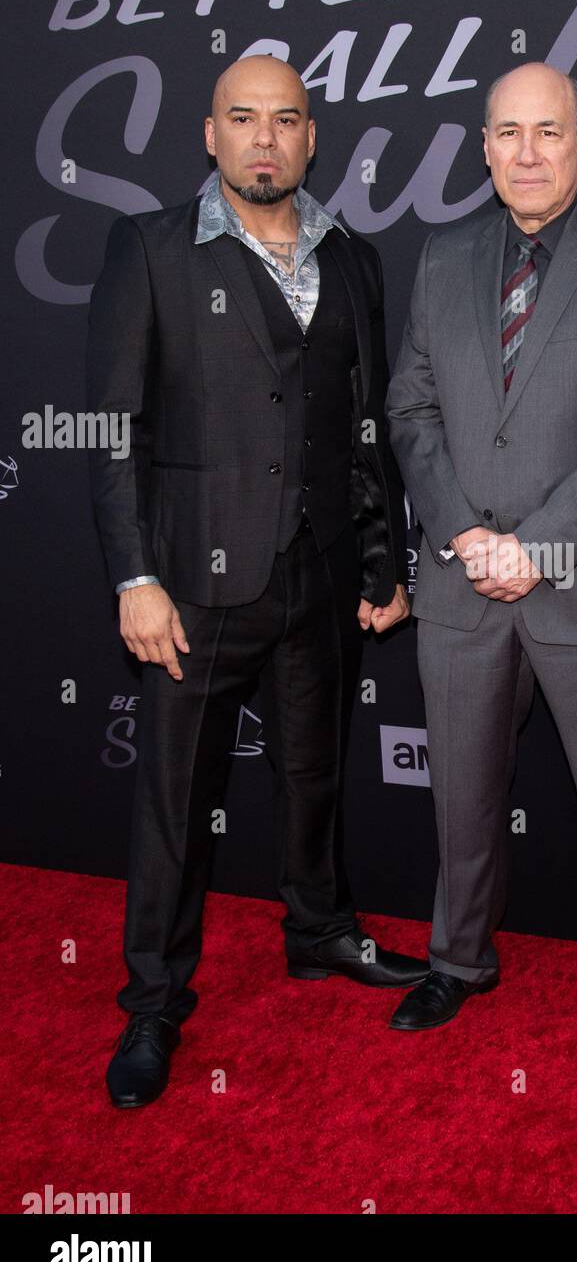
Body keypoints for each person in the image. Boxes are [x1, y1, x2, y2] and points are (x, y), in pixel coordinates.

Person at [86, 55, 427, 1110]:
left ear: (311, 138)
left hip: (319, 577)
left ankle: (318, 928)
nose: (265, 138)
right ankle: (153, 998)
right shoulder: (149, 249)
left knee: (314, 773)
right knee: (177, 804)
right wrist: (134, 574)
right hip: (192, 583)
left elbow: (365, 426)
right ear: (210, 133)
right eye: (243, 118)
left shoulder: (353, 257)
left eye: (285, 120)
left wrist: (381, 558)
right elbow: (111, 431)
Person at [385, 62, 577, 1072]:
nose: (526, 152)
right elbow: (411, 409)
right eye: (507, 133)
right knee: (461, 795)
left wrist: (538, 546)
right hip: (459, 583)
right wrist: (459, 532)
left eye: (547, 132)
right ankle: (458, 957)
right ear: (484, 147)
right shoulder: (442, 256)